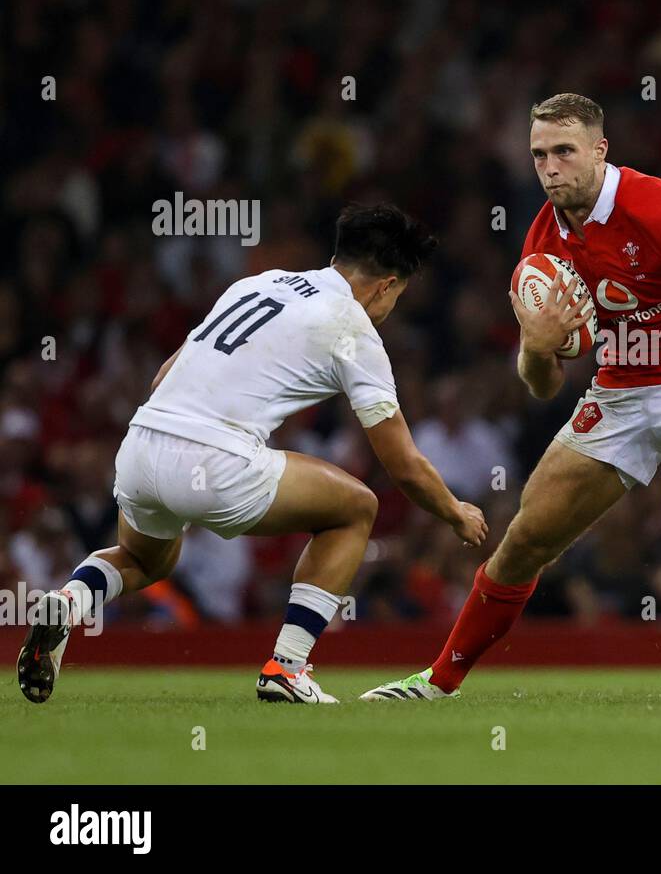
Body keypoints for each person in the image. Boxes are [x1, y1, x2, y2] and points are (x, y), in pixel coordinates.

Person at [362, 93, 661, 701]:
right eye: (539, 154)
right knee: (524, 541)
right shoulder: (542, 242)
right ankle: (438, 683)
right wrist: (536, 348)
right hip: (620, 390)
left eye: (564, 151)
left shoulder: (658, 204)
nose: (551, 167)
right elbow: (540, 387)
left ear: (599, 151)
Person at [17, 203, 487, 705]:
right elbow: (404, 466)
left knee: (141, 558)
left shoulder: (258, 283)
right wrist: (455, 512)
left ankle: (69, 602)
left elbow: (162, 378)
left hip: (141, 445)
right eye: (399, 295)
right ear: (386, 286)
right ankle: (287, 668)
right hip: (215, 463)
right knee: (356, 507)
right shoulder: (353, 328)